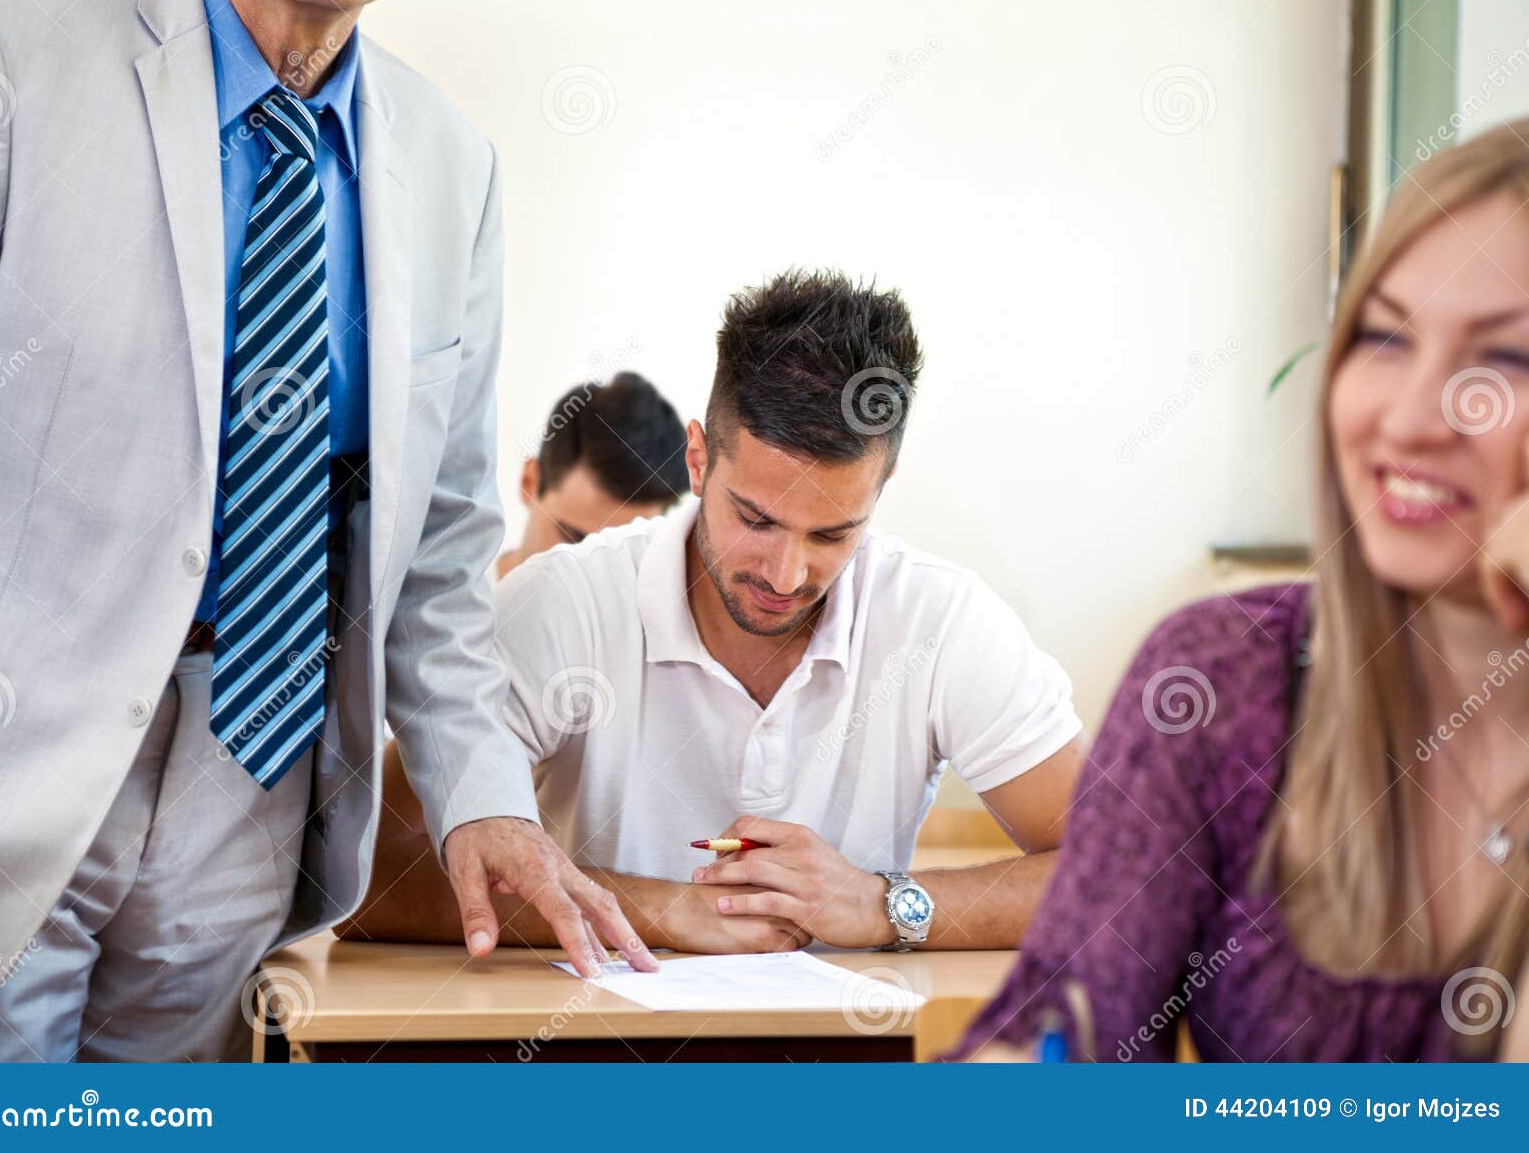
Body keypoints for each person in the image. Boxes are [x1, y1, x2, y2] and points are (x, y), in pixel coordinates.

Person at [0, 0, 649, 1063]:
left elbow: (441, 555)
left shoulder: (452, 164)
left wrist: (485, 798)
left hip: (254, 774)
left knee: (170, 1126)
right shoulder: (3, 43)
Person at [951, 120, 1529, 1063]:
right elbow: (1066, 1036)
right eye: (1385, 335)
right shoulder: (1224, 678)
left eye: (1506, 360)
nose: (1412, 418)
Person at [350, 269, 1086, 952]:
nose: (786, 575)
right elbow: (366, 879)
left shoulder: (942, 620)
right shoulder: (562, 605)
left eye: (832, 534)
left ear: (879, 492)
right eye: (757, 519)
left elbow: (1121, 871)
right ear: (698, 461)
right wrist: (662, 910)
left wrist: (883, 904)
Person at [496, 372, 690, 581]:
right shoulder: (469, 595)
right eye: (575, 540)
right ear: (530, 482)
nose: (593, 579)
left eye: (624, 554)